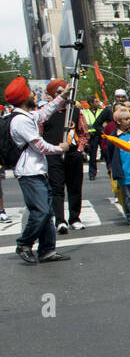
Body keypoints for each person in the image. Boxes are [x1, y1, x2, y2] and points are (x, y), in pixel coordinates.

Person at [7, 76, 70, 264]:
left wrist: (63, 96)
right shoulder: (20, 121)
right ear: (25, 97)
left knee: (47, 212)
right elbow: (39, 146)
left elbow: (44, 113)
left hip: (38, 170)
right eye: (30, 93)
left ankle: (47, 250)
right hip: (29, 172)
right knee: (41, 211)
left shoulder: (27, 116)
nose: (34, 95)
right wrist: (61, 148)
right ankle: (24, 244)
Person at [41, 79, 89, 234]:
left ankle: (75, 218)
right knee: (57, 188)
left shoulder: (75, 111)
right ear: (53, 95)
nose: (65, 95)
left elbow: (83, 133)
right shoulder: (45, 113)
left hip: (72, 154)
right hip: (53, 156)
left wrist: (79, 149)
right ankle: (60, 220)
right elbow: (39, 135)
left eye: (66, 91)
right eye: (59, 92)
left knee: (75, 187)